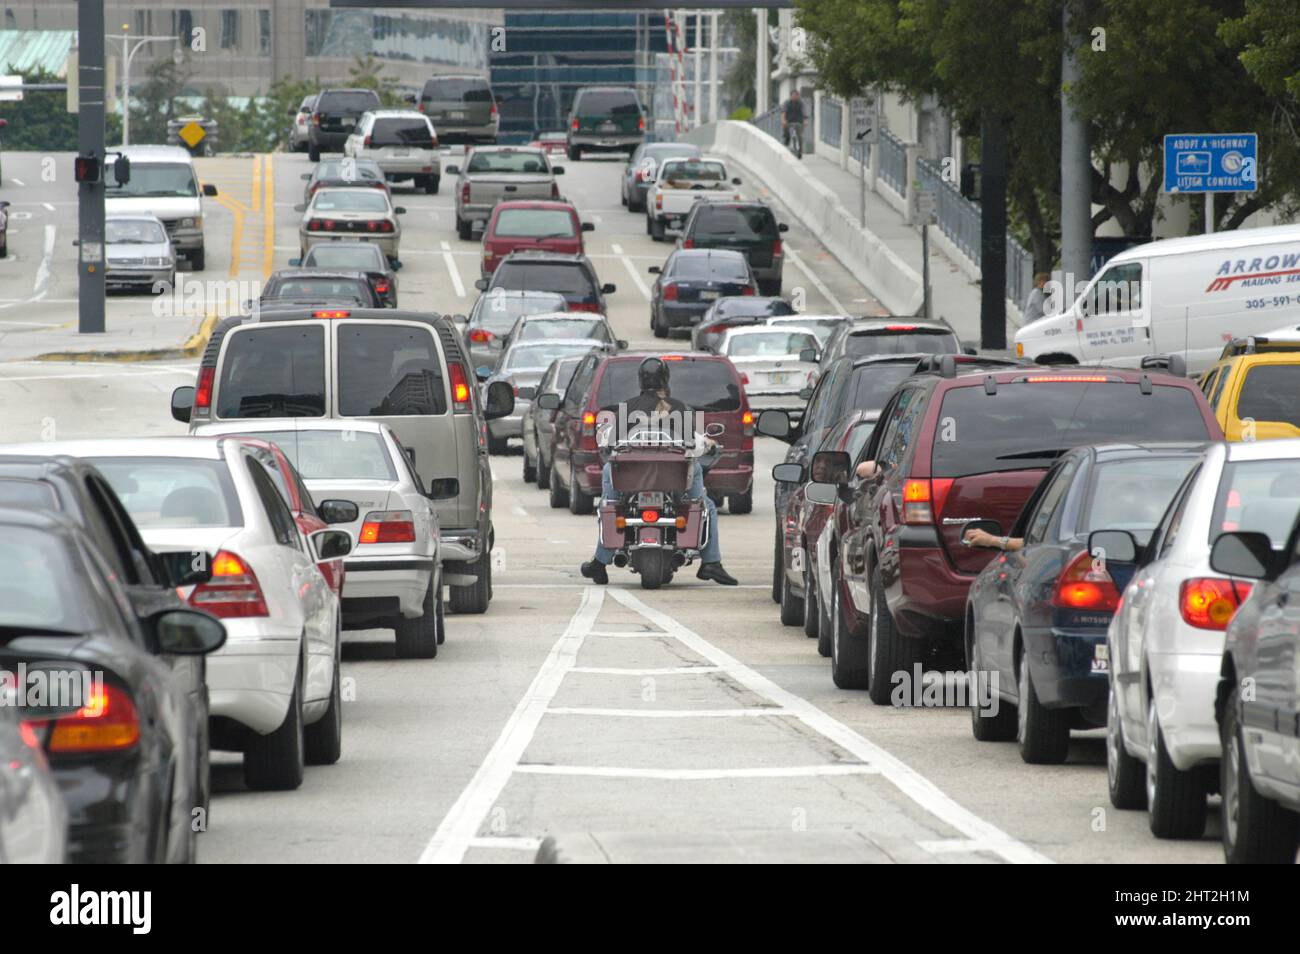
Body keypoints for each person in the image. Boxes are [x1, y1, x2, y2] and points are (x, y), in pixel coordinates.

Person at [580, 356, 738, 586]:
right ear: (666, 379)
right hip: (673, 477)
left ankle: (600, 562)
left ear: (640, 380)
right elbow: (694, 443)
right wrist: (709, 443)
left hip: (630, 478)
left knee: (610, 502)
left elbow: (609, 440)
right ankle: (711, 562)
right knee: (704, 503)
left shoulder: (627, 408)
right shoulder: (680, 408)